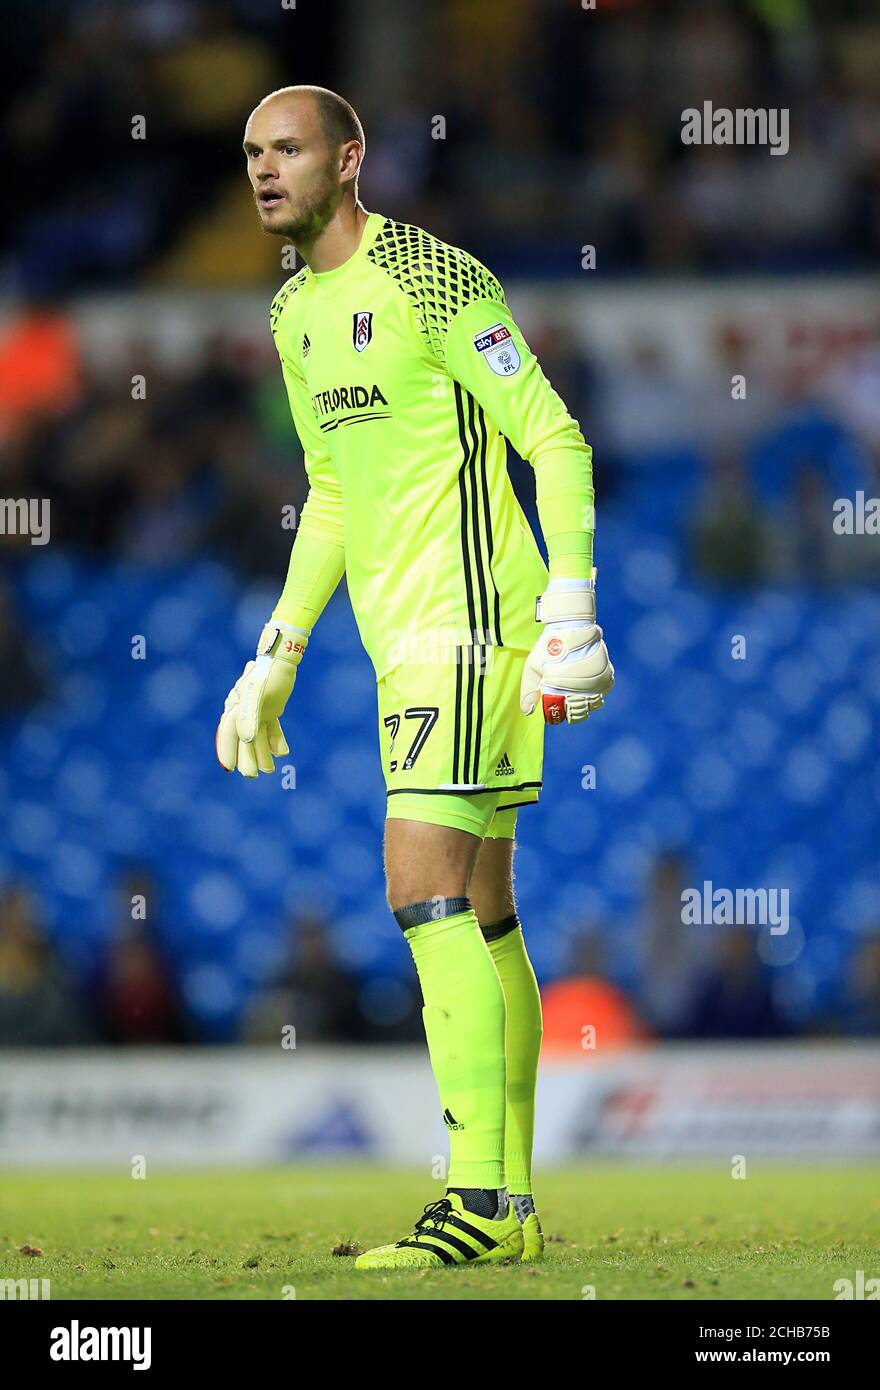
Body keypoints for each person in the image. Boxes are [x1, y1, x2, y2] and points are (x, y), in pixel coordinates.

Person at [216, 85, 614, 1271]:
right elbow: (331, 492)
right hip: (403, 640)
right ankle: (516, 1205)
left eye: (287, 149)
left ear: (350, 160)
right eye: (249, 154)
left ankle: (479, 1200)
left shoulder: (435, 280)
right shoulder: (293, 316)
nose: (264, 170)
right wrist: (275, 651)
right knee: (483, 915)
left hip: (471, 625)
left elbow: (554, 434)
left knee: (418, 889)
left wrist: (574, 601)